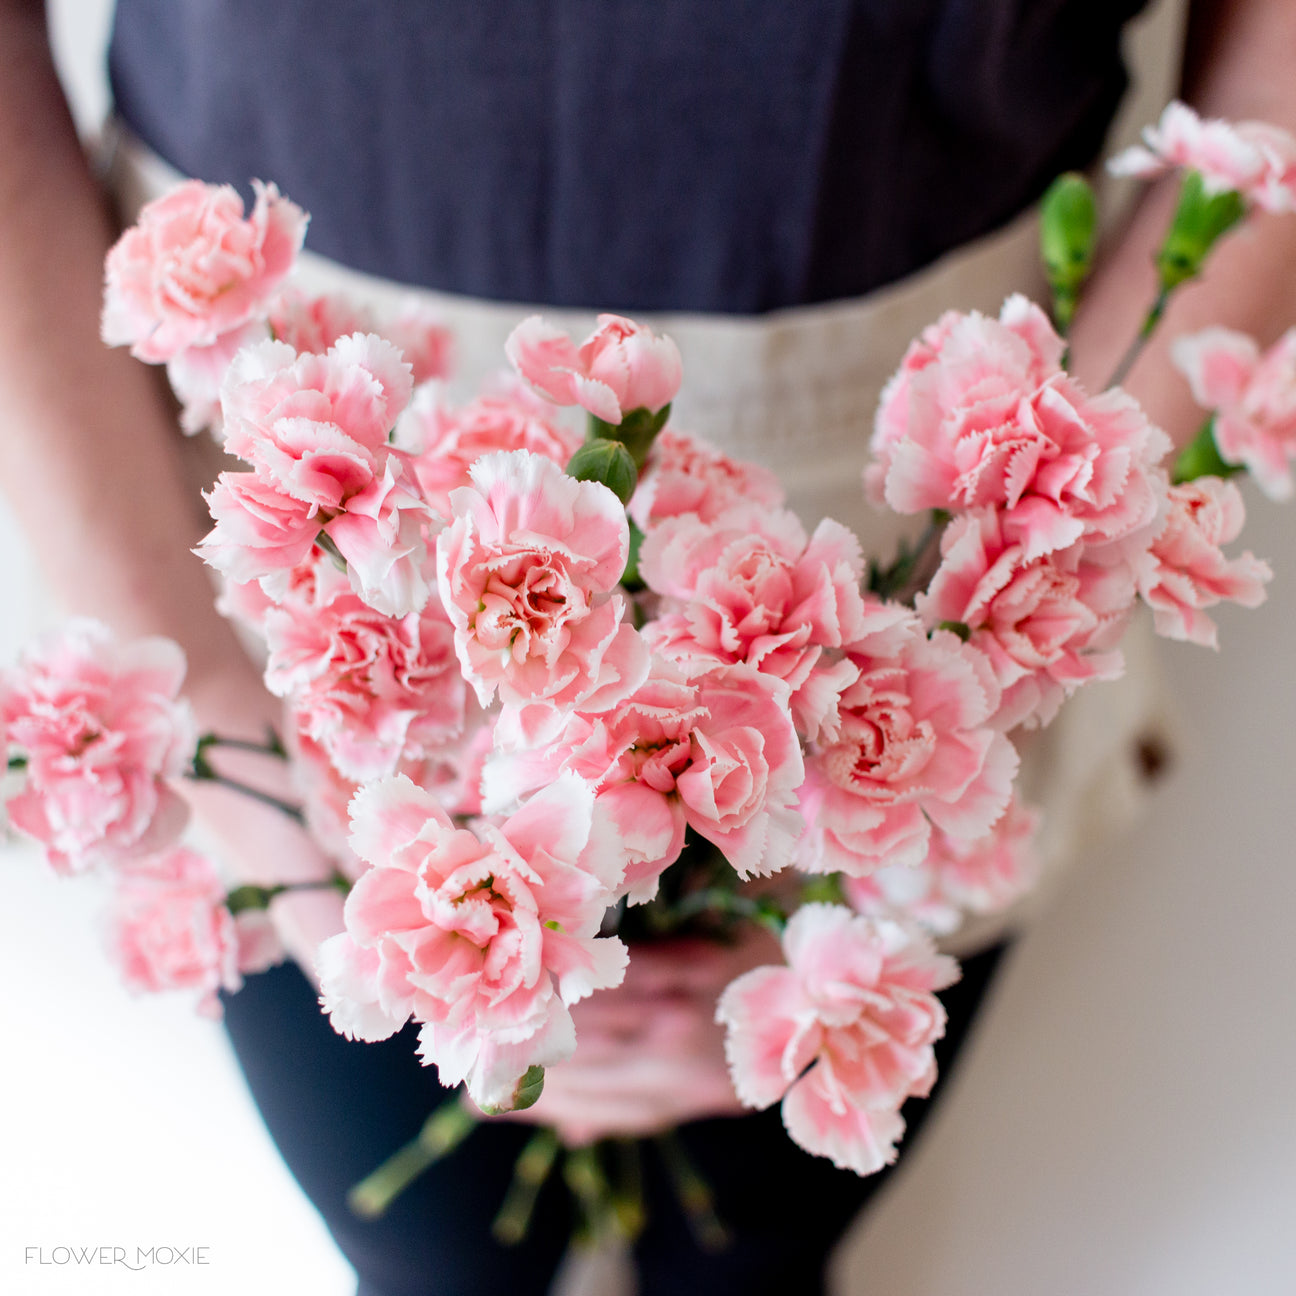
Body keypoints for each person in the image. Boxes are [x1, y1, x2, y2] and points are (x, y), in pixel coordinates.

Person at [2, 2, 1295, 1293]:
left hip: (925, 522)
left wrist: (1048, 529)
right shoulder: (264, 651)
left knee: (753, 1249)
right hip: (255, 523)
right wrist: (216, 706)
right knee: (425, 1245)